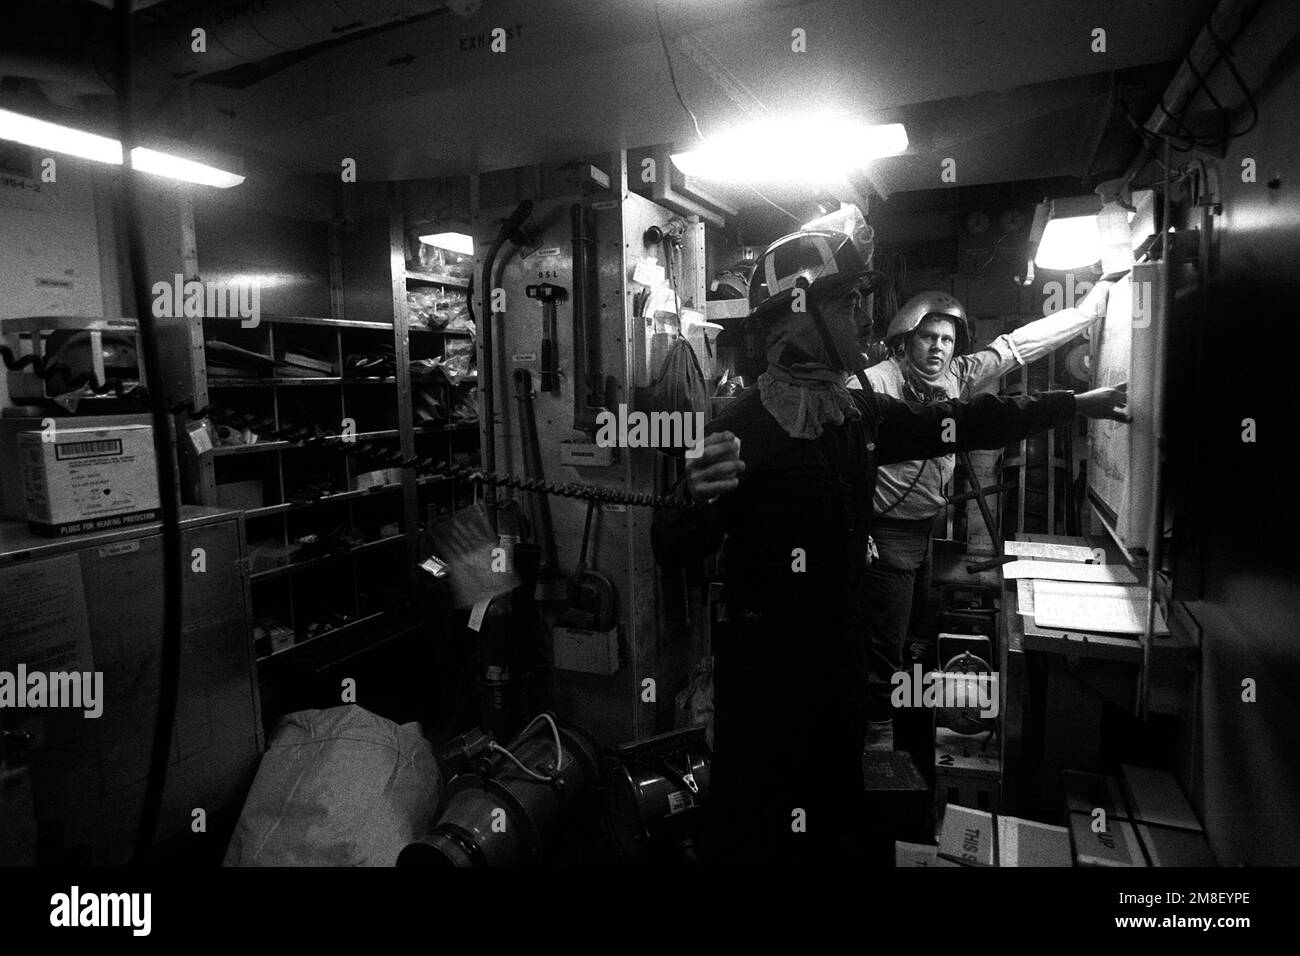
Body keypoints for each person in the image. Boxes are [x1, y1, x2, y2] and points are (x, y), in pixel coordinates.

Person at [651, 216, 1128, 867]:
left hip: (837, 659)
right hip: (767, 677)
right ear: (798, 319)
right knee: (758, 828)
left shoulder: (855, 416)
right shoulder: (742, 425)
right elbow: (670, 546)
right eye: (848, 305)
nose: (865, 322)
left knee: (830, 817)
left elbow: (960, 420)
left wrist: (1075, 403)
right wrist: (690, 497)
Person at [851, 285, 1112, 750]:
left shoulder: (957, 377)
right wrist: (855, 528)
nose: (937, 348)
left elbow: (1015, 347)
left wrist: (1086, 313)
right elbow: (840, 465)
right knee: (882, 649)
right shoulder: (869, 387)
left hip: (922, 532)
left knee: (914, 637)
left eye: (947, 340)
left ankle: (904, 733)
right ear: (904, 341)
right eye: (928, 337)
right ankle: (875, 741)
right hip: (882, 534)